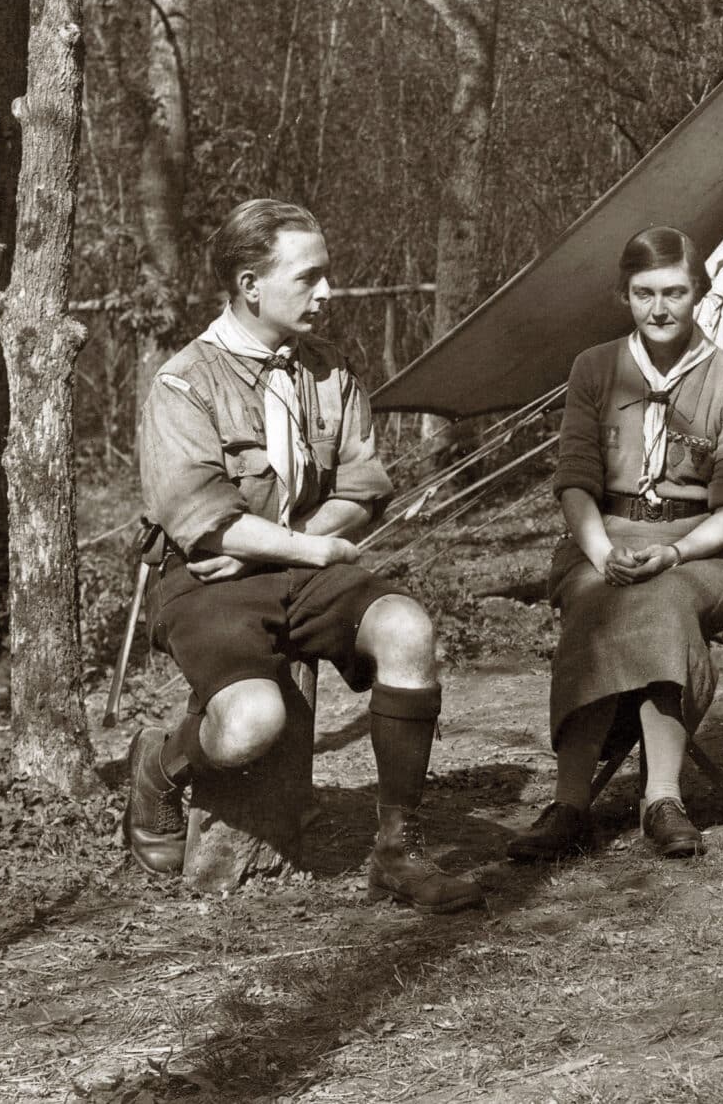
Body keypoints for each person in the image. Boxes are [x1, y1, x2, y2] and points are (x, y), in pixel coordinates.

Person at [128, 199, 481, 912]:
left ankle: (397, 850)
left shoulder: (330, 370)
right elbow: (205, 524)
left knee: (408, 630)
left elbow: (364, 485)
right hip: (209, 582)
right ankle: (158, 765)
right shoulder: (182, 384)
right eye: (309, 277)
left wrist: (301, 545)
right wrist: (309, 545)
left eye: (328, 275)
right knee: (250, 724)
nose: (328, 293)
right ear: (250, 284)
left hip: (301, 564)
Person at [506, 228, 723, 863]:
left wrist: (674, 553)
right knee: (597, 597)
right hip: (604, 536)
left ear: (699, 293)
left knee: (665, 598)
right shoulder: (594, 368)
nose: (660, 308)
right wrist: (598, 553)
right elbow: (574, 482)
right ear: (623, 295)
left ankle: (662, 799)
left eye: (675, 292)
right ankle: (569, 804)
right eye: (644, 293)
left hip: (699, 548)